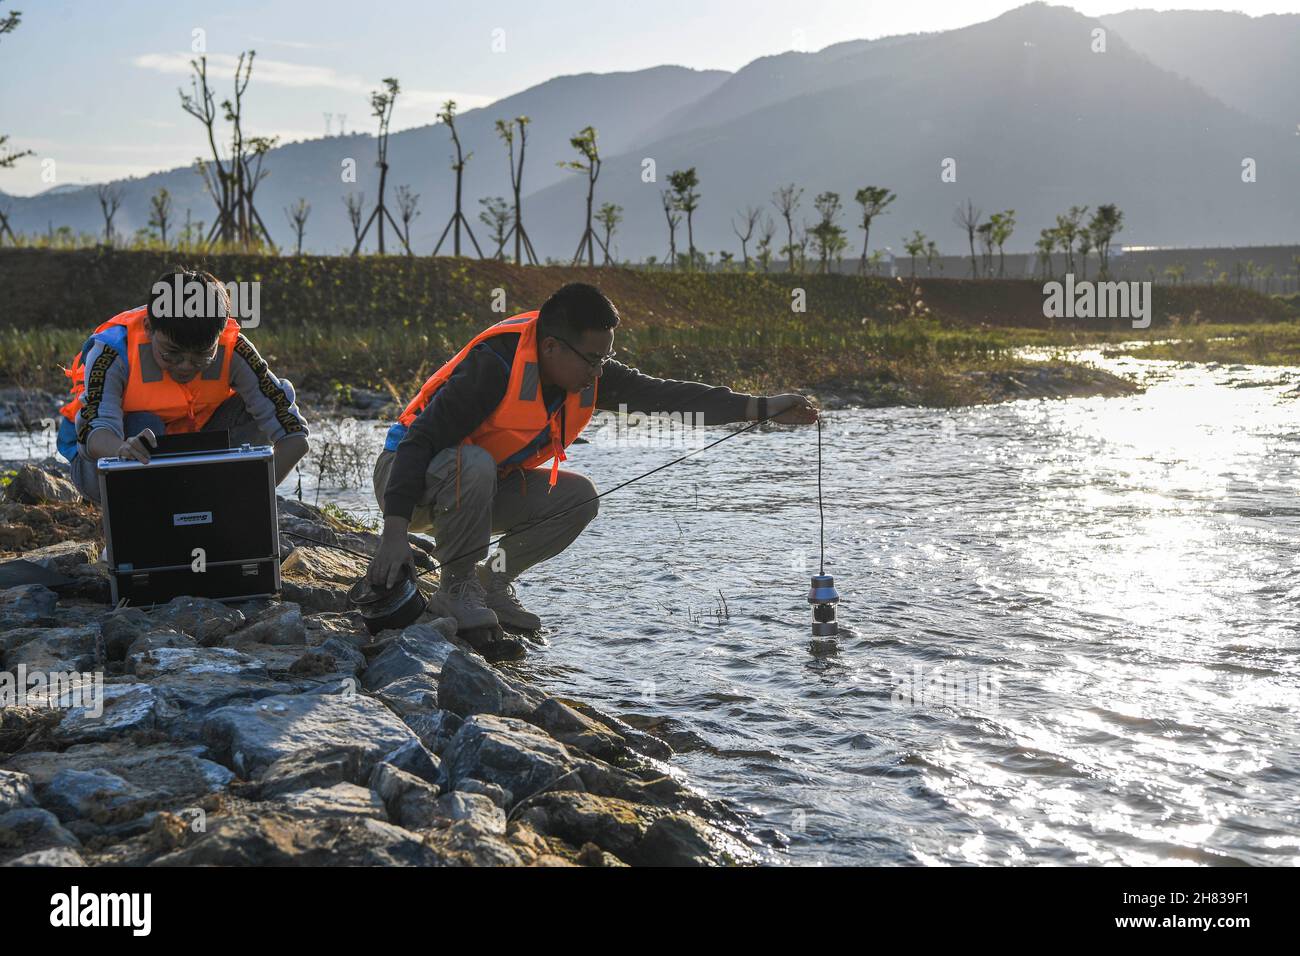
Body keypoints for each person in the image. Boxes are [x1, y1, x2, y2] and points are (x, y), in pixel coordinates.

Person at [368, 281, 818, 632]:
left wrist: (761, 408)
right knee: (477, 463)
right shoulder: (494, 367)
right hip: (408, 481)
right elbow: (417, 443)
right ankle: (457, 589)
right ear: (551, 347)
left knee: (578, 495)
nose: (599, 370)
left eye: (606, 358)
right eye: (592, 359)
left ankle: (493, 583)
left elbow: (666, 396)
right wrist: (394, 532)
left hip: (474, 488)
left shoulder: (587, 375)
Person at [57, 269, 310, 502]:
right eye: (171, 354)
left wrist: (251, 495)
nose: (186, 366)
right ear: (149, 328)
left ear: (218, 337)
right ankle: (140, 517)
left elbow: (294, 435)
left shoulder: (235, 350)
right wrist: (122, 449)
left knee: (261, 405)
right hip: (113, 461)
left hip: (192, 455)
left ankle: (210, 497)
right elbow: (93, 433)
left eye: (202, 356)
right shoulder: (112, 351)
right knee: (147, 427)